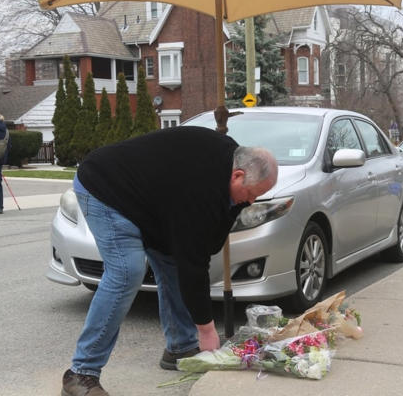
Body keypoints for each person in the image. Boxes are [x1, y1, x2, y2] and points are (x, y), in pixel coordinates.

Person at [61, 126, 278, 396]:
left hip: (151, 206)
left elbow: (205, 244)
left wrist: (233, 209)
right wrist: (207, 330)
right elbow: (194, 262)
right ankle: (81, 373)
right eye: (251, 194)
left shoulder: (228, 166)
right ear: (238, 175)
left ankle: (180, 347)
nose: (251, 201)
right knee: (127, 272)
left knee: (172, 264)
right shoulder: (203, 187)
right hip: (106, 189)